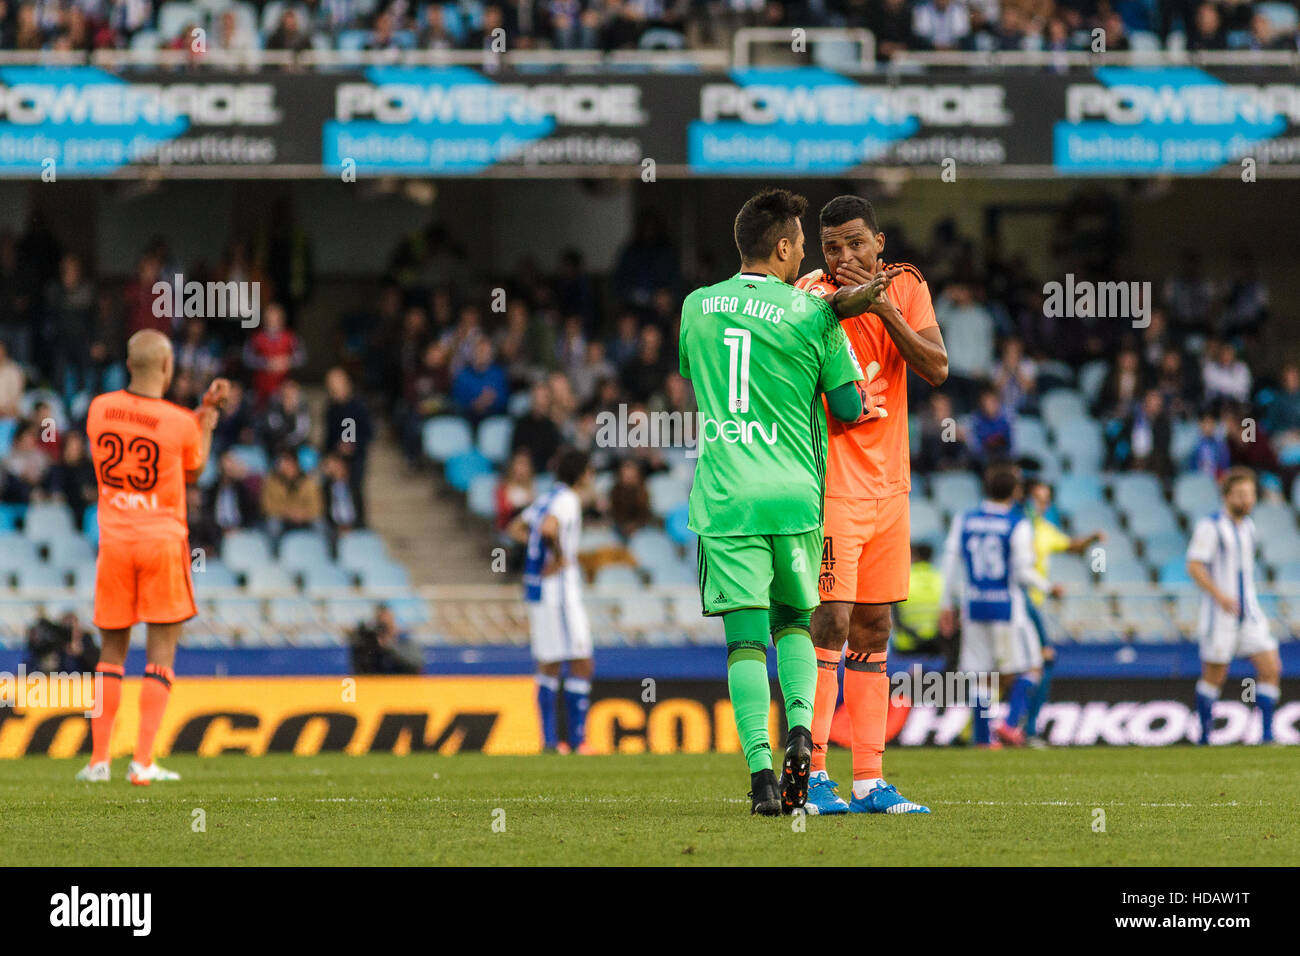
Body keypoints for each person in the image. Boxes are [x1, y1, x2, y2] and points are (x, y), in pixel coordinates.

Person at [679, 188, 872, 816]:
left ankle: (762, 777)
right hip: (793, 495)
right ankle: (801, 736)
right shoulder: (813, 313)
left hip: (726, 497)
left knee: (743, 642)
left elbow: (695, 374)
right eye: (802, 246)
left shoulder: (696, 306)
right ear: (784, 247)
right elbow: (848, 406)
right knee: (793, 624)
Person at [795, 193, 947, 815]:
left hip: (891, 488)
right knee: (830, 620)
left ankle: (868, 781)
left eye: (856, 242)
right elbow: (824, 318)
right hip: (833, 485)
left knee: (875, 627)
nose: (844, 256)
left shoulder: (906, 284)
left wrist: (884, 306)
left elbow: (936, 366)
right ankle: (812, 774)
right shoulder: (809, 295)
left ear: (879, 243)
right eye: (832, 246)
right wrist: (857, 298)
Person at [78, 330, 228, 785]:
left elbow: (135, 435)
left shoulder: (99, 409)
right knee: (161, 651)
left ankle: (98, 762)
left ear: (128, 364)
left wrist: (198, 412)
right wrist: (206, 419)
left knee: (110, 653)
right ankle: (142, 762)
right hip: (161, 542)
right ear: (166, 367)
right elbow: (194, 466)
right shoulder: (178, 421)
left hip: (115, 542)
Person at [939, 464, 1062, 749]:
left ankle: (983, 740)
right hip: (1007, 609)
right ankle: (1009, 724)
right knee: (1033, 666)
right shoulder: (1017, 524)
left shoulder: (964, 519)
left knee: (981, 676)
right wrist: (1047, 587)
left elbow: (950, 561)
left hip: (974, 607)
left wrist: (946, 604)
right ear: (1015, 492)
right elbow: (1022, 571)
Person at [508, 449, 597, 755]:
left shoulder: (547, 497)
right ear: (582, 473)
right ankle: (577, 740)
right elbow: (548, 528)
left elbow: (516, 527)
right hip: (560, 593)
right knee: (582, 660)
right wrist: (558, 557)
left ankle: (549, 741)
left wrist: (537, 548)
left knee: (549, 663)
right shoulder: (568, 500)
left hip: (539, 590)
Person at [1186, 467, 1282, 745]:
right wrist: (1220, 595)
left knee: (1271, 667)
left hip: (1249, 613)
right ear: (1226, 496)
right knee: (1215, 675)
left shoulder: (1248, 526)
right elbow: (1194, 565)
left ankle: (1266, 735)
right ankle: (1205, 736)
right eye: (1240, 494)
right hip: (1220, 614)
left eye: (1250, 494)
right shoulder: (1211, 526)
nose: (1246, 500)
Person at [1021, 478, 1106, 746]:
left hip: (1030, 606)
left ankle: (1008, 728)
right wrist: (1046, 586)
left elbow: (1072, 547)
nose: (1042, 505)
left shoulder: (1044, 530)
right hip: (1017, 604)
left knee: (1030, 666)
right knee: (1039, 662)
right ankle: (1023, 729)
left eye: (1046, 501)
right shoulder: (1016, 527)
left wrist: (1092, 539)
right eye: (1038, 499)